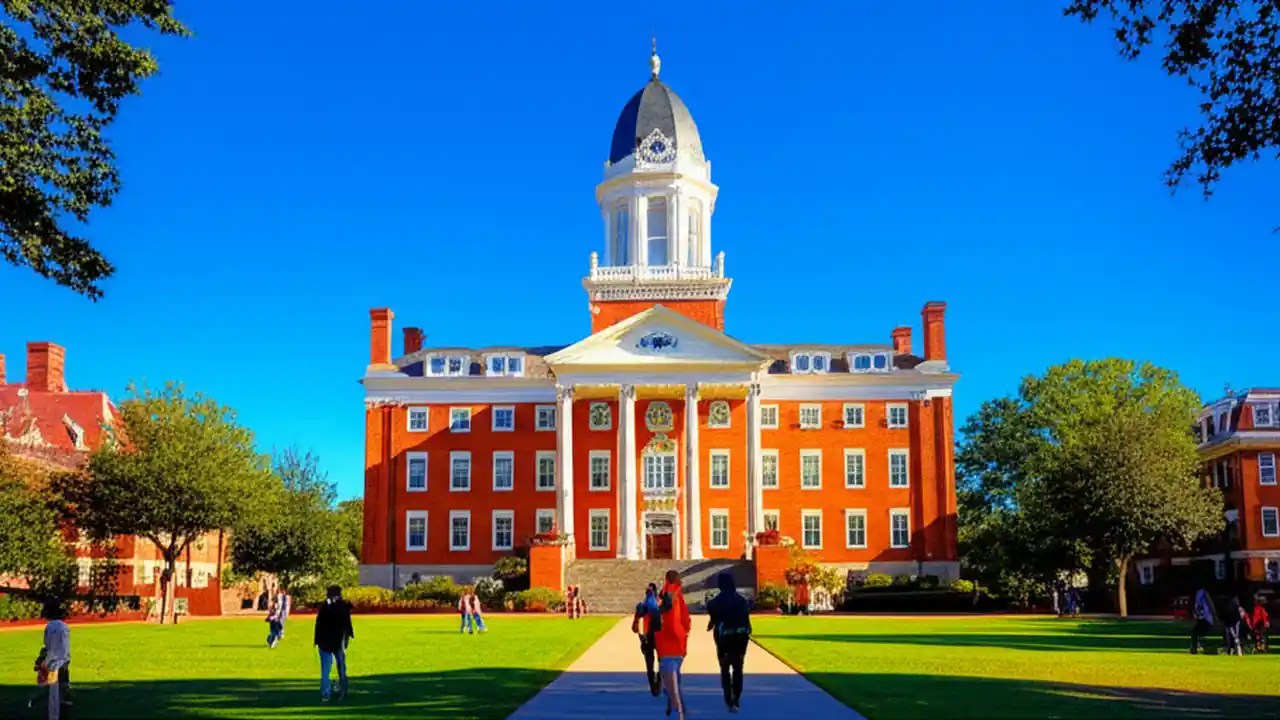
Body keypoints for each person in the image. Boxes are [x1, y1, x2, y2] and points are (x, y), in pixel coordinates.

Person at [706, 572, 752, 713]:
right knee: (738, 668)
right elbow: (746, 619)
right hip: (740, 638)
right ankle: (736, 698)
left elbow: (712, 617)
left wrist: (711, 623)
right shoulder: (741, 600)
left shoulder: (715, 602)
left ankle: (728, 699)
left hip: (723, 639)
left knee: (725, 669)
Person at [655, 570, 691, 720]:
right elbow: (686, 620)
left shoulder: (662, 596)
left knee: (670, 678)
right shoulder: (679, 596)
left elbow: (655, 616)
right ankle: (674, 702)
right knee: (675, 673)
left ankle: (680, 712)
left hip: (664, 643)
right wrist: (684, 633)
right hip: (678, 644)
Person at [314, 585, 354, 702]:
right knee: (341, 668)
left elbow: (319, 625)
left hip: (324, 641)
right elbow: (347, 625)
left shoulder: (325, 607)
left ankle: (326, 694)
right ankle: (342, 691)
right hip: (338, 641)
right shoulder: (342, 607)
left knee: (325, 670)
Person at [35, 601, 70, 720]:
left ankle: (54, 714)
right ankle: (58, 713)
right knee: (60, 688)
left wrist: (42, 658)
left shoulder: (49, 626)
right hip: (61, 660)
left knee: (53, 690)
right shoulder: (63, 626)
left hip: (51, 659)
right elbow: (65, 646)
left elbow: (46, 644)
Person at [631, 583, 661, 696]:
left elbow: (635, 626)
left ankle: (653, 684)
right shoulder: (659, 604)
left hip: (647, 637)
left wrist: (640, 635)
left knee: (649, 662)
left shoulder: (642, 605)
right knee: (661, 661)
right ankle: (658, 680)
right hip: (659, 636)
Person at [1190, 587, 1217, 654]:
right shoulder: (1205, 593)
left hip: (1205, 617)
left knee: (1195, 631)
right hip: (1207, 617)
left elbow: (1199, 606)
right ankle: (1196, 647)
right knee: (1196, 631)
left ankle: (1195, 648)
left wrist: (1198, 615)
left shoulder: (1200, 593)